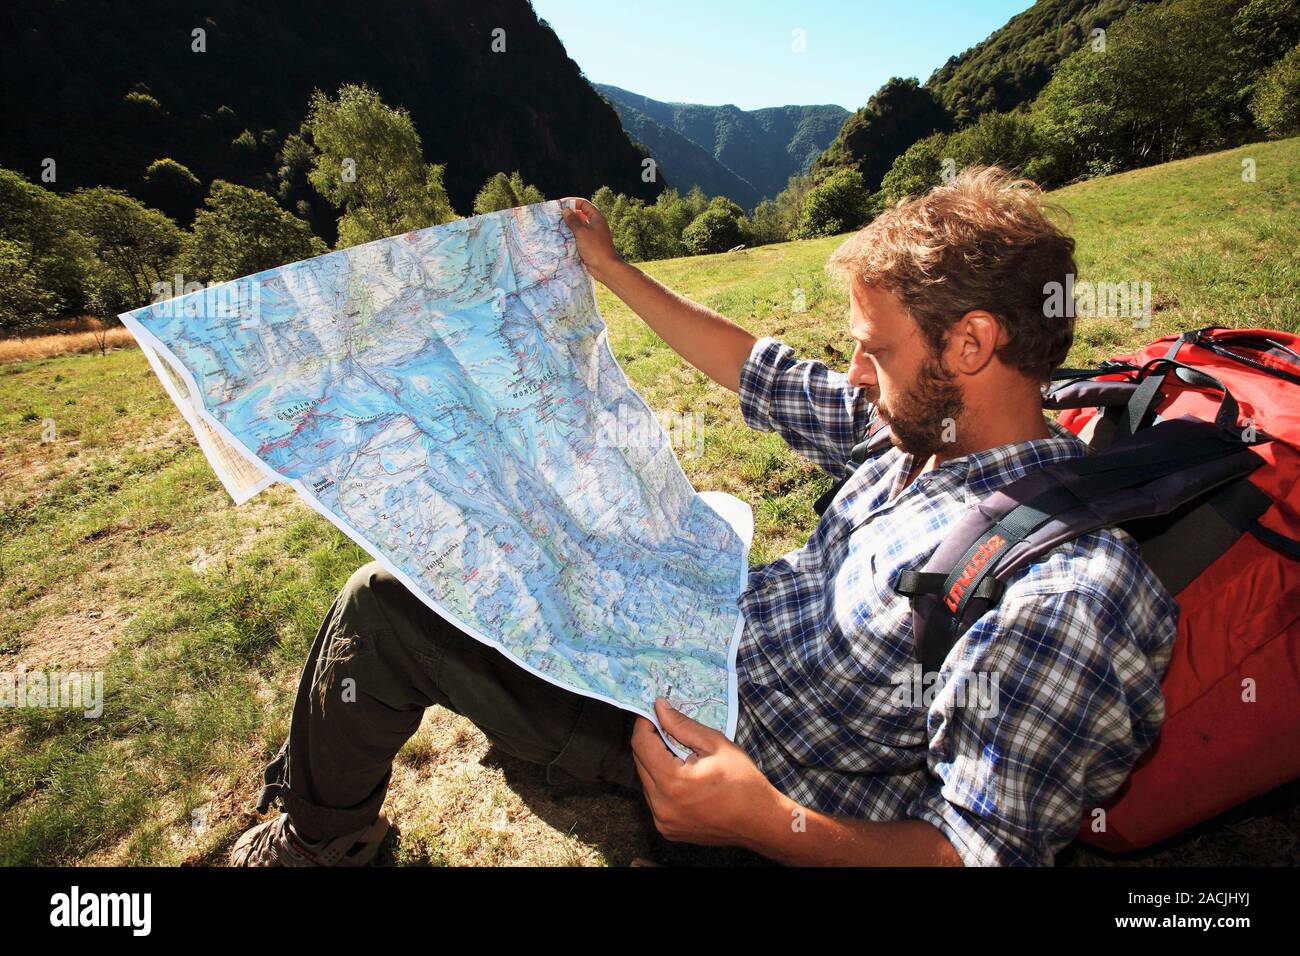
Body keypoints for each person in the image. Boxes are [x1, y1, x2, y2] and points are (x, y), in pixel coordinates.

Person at [230, 167, 1176, 867]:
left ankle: (322, 844)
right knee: (518, 530)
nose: (851, 375)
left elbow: (980, 853)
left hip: (732, 767)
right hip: (690, 647)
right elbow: (752, 366)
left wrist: (759, 820)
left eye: (872, 350)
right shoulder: (919, 427)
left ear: (971, 344)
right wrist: (611, 268)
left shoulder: (1068, 596)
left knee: (385, 609)